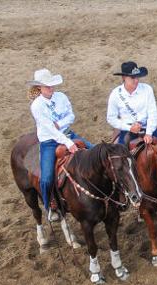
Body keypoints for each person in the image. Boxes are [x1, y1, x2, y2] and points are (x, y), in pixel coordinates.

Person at [28, 68, 93, 221]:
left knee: (96, 151)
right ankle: (50, 207)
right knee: (46, 177)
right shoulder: (37, 106)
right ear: (39, 87)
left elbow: (71, 115)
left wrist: (60, 124)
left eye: (51, 84)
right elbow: (49, 129)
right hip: (49, 142)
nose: (51, 88)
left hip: (68, 133)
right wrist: (68, 142)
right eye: (47, 86)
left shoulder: (61, 97)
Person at [107, 61, 157, 145]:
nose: (136, 80)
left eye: (137, 77)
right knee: (120, 152)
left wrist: (149, 133)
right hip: (127, 130)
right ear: (124, 77)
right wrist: (129, 127)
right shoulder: (115, 94)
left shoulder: (147, 89)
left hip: (146, 127)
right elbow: (111, 118)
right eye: (132, 78)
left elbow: (152, 113)